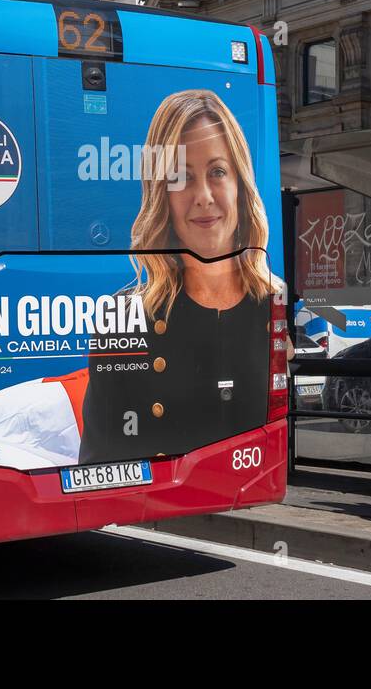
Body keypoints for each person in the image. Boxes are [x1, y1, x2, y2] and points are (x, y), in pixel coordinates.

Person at [78, 90, 281, 463]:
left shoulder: (275, 305)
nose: (203, 196)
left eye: (217, 172)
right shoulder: (122, 316)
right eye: (182, 177)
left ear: (239, 185)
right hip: (161, 519)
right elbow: (99, 460)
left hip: (261, 508)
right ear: (163, 195)